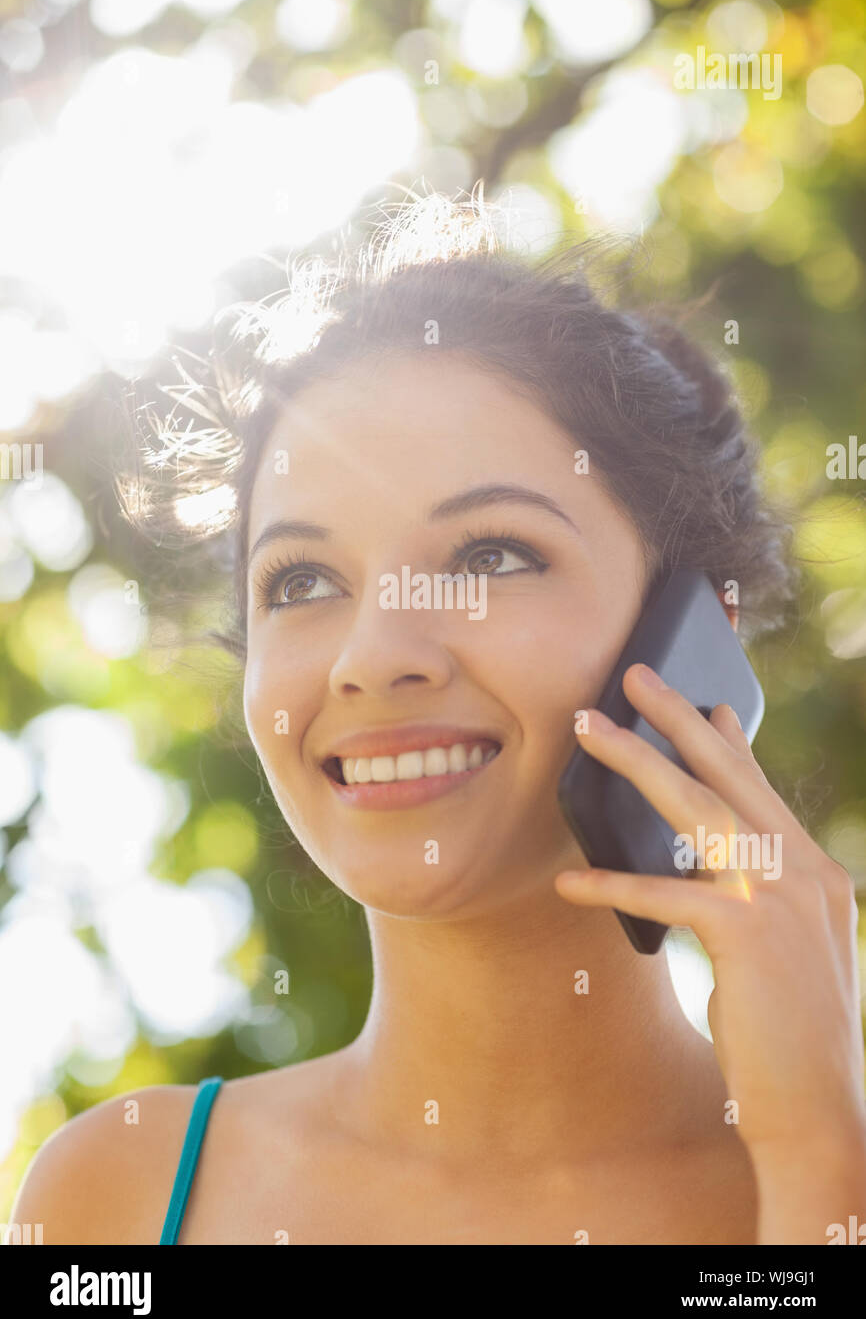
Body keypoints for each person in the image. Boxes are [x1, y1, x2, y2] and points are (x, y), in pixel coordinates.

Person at [10, 192, 865, 1244]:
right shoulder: (115, 1197)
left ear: (695, 638)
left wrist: (815, 1153)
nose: (372, 658)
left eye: (488, 556)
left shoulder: (831, 1172)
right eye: (302, 580)